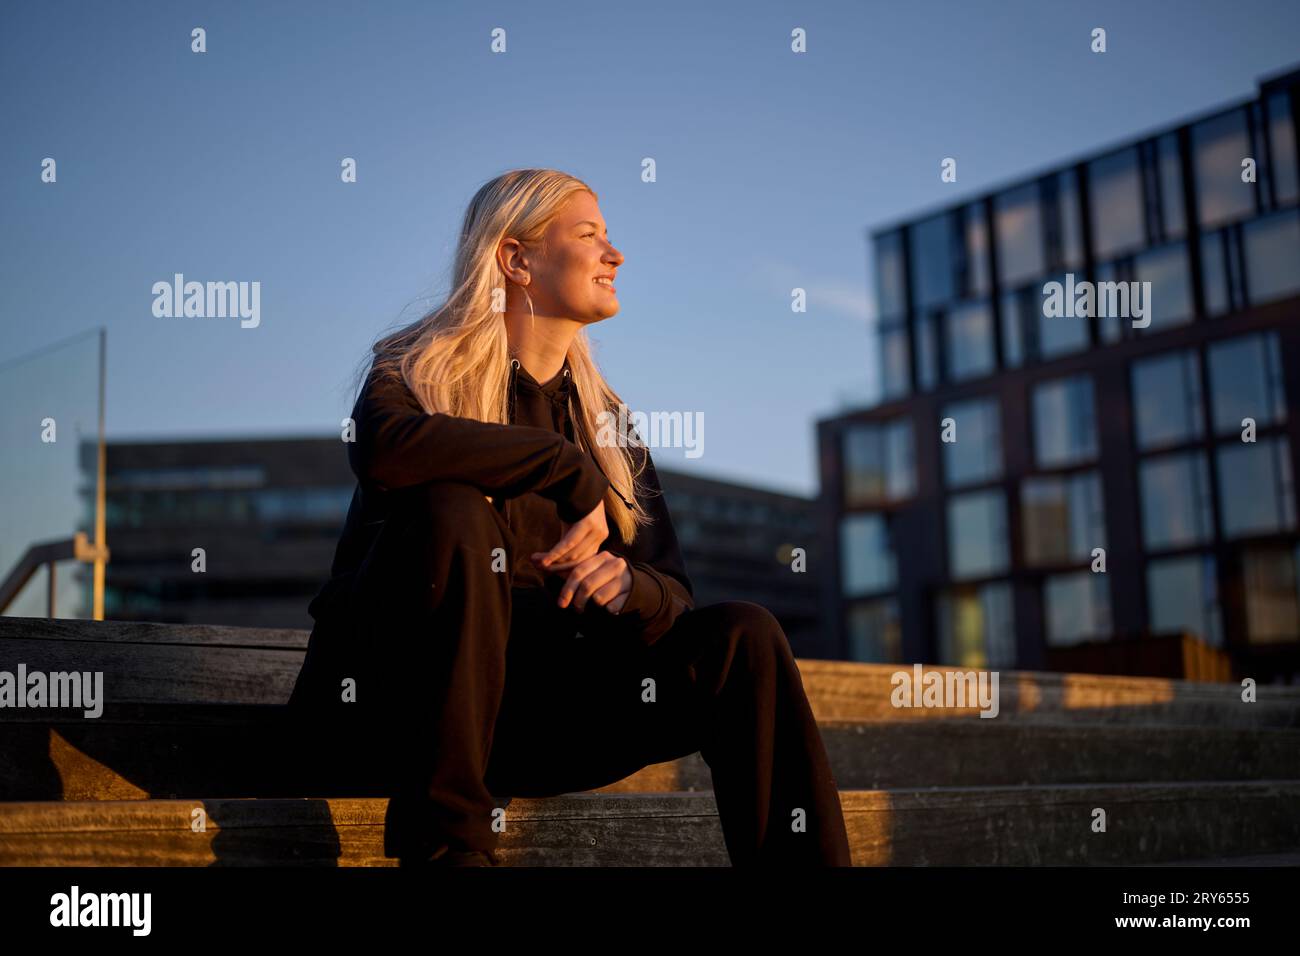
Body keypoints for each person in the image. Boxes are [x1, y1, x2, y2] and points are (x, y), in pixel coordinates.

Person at [287, 168, 852, 868]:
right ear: (515, 259)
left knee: (745, 636)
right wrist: (558, 465)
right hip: (385, 718)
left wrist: (630, 587)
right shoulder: (415, 368)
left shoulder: (606, 421)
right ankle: (448, 855)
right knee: (454, 510)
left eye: (610, 238)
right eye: (590, 236)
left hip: (533, 722)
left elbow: (673, 594)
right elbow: (383, 454)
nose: (615, 255)